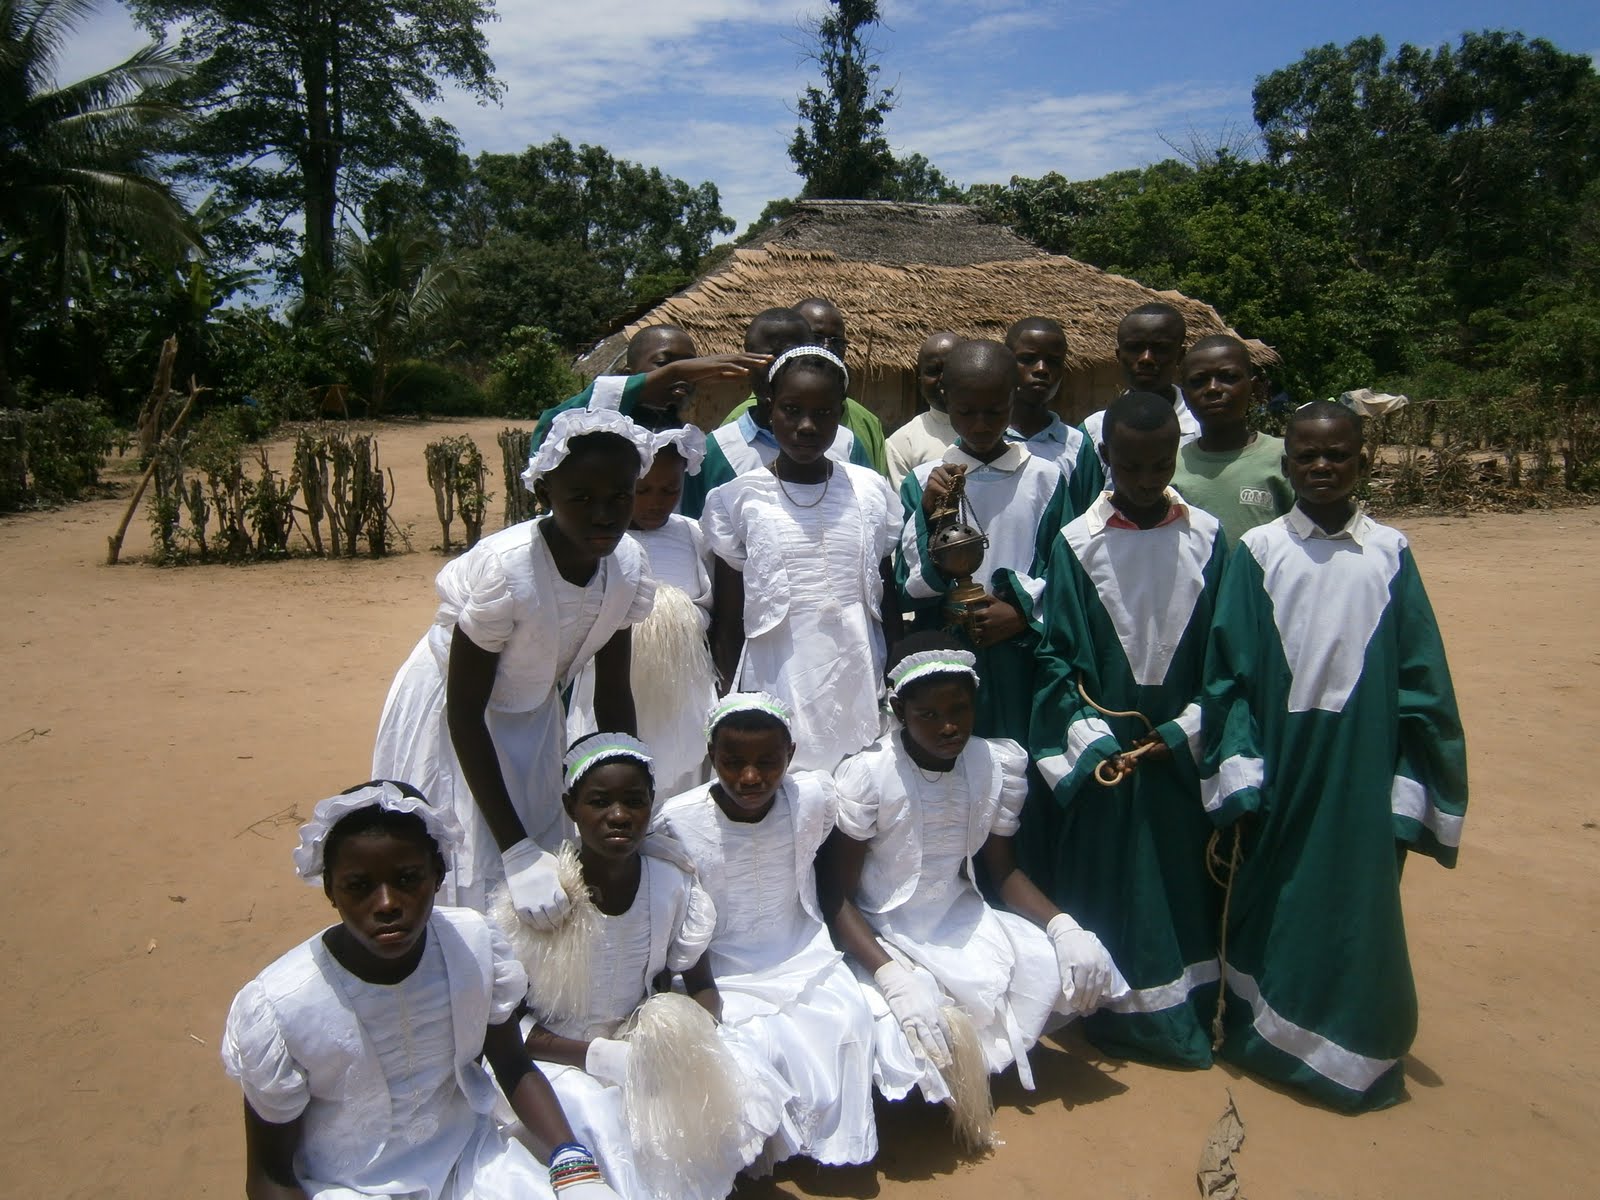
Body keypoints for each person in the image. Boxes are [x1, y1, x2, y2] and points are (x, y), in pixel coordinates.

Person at [1199, 400, 1468, 1111]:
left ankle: (1355, 1048)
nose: (1321, 468)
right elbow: (1229, 673)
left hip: (1359, 768)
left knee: (1357, 905)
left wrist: (1412, 788)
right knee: (1276, 898)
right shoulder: (1259, 552)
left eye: (1337, 456)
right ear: (1286, 468)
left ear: (1363, 463)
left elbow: (1421, 679)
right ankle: (1269, 1037)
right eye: (1306, 457)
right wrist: (1242, 773)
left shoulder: (1390, 552)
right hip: (1284, 765)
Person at [221, 780, 623, 1200]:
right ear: (329, 890)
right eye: (359, 886)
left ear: (438, 876)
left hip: (467, 1160)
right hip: (348, 1187)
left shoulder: (473, 945)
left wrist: (572, 1162)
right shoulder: (283, 1006)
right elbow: (270, 1175)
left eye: (407, 878)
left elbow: (511, 1063)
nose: (387, 903)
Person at [822, 635, 1123, 1125]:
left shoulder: (994, 763)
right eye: (929, 715)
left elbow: (1002, 873)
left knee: (1055, 964)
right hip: (885, 931)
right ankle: (920, 1095)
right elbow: (837, 898)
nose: (948, 726)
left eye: (959, 710)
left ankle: (980, 1063)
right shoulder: (870, 776)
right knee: (899, 1023)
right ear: (899, 710)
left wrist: (1063, 926)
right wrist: (890, 976)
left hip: (962, 917)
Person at [372, 410, 657, 917]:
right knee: (472, 852)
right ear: (545, 495)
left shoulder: (628, 566)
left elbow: (613, 692)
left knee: (544, 834)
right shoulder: (506, 572)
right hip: (456, 716)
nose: (604, 516)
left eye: (620, 497)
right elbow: (464, 714)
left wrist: (636, 792)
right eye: (581, 500)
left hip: (533, 709)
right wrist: (516, 851)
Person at [1028, 390, 1229, 1068]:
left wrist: (1188, 731)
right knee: (1118, 882)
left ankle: (1187, 1004)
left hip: (1177, 751)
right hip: (1112, 756)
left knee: (1180, 881)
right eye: (1132, 465)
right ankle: (1118, 1009)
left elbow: (1229, 659)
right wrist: (1093, 738)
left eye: (1161, 463)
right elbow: (1055, 654)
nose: (1147, 479)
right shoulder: (1076, 543)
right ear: (1106, 457)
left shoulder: (1207, 537)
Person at [501, 735, 785, 1200]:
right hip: (556, 1062)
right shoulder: (538, 903)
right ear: (571, 806)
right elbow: (511, 1034)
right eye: (599, 801)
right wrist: (598, 1056)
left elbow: (702, 987)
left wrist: (693, 1042)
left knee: (730, 1075)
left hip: (639, 1045)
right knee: (599, 1112)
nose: (618, 815)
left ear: (652, 805)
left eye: (634, 801)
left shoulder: (671, 885)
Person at [653, 694, 880, 1172]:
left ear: (790, 756)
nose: (750, 777)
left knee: (847, 1019)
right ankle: (765, 1153)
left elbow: (828, 880)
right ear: (711, 756)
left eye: (767, 762)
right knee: (750, 1043)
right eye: (732, 763)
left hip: (800, 953)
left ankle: (827, 1147)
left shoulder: (813, 798)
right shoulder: (678, 820)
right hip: (720, 971)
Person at [703, 345, 903, 772]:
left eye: (824, 413)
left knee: (859, 789)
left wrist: (896, 681)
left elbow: (886, 598)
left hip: (858, 674)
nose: (807, 426)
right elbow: (728, 614)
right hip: (777, 677)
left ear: (841, 414)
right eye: (792, 410)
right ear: (770, 408)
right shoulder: (738, 500)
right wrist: (731, 701)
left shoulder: (870, 491)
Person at [896, 339, 1068, 746]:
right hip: (947, 653)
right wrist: (930, 511)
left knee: (1018, 759)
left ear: (1015, 398)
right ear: (946, 402)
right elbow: (908, 582)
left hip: (1021, 652)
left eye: (994, 411)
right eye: (966, 412)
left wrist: (1022, 613)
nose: (979, 425)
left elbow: (1064, 569)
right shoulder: (924, 481)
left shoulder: (1046, 479)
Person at [568, 426, 718, 796]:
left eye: (670, 491)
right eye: (642, 490)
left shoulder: (694, 536)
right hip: (608, 684)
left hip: (685, 690)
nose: (656, 502)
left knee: (680, 775)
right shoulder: (602, 543)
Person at [684, 309, 872, 518]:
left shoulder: (847, 444)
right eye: (769, 358)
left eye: (793, 356)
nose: (780, 367)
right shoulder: (717, 450)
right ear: (746, 362)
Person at [720, 297, 890, 476]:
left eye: (837, 342)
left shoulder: (862, 428)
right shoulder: (729, 436)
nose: (826, 349)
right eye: (816, 339)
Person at [532, 324, 767, 444]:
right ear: (628, 374)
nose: (682, 374)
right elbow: (548, 432)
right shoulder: (593, 419)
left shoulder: (693, 435)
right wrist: (671, 373)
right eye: (663, 363)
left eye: (691, 366)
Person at [1172, 335, 1292, 545]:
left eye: (1228, 377)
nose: (1213, 389)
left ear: (1254, 388)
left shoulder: (1284, 458)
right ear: (1186, 394)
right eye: (1198, 381)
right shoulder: (1170, 465)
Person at [1004, 317, 1103, 513]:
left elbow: (1088, 521)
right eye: (1027, 359)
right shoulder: (984, 439)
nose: (1041, 369)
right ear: (1006, 362)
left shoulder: (1076, 446)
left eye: (1053, 362)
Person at [1080, 302, 1201, 456]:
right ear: (1119, 356)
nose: (1146, 359)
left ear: (1180, 356)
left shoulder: (1204, 428)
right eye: (1134, 348)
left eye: (1160, 348)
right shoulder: (1093, 431)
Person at [885, 330, 960, 490]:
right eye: (933, 371)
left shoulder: (999, 432)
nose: (943, 378)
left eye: (951, 369)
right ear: (919, 381)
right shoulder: (902, 443)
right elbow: (902, 510)